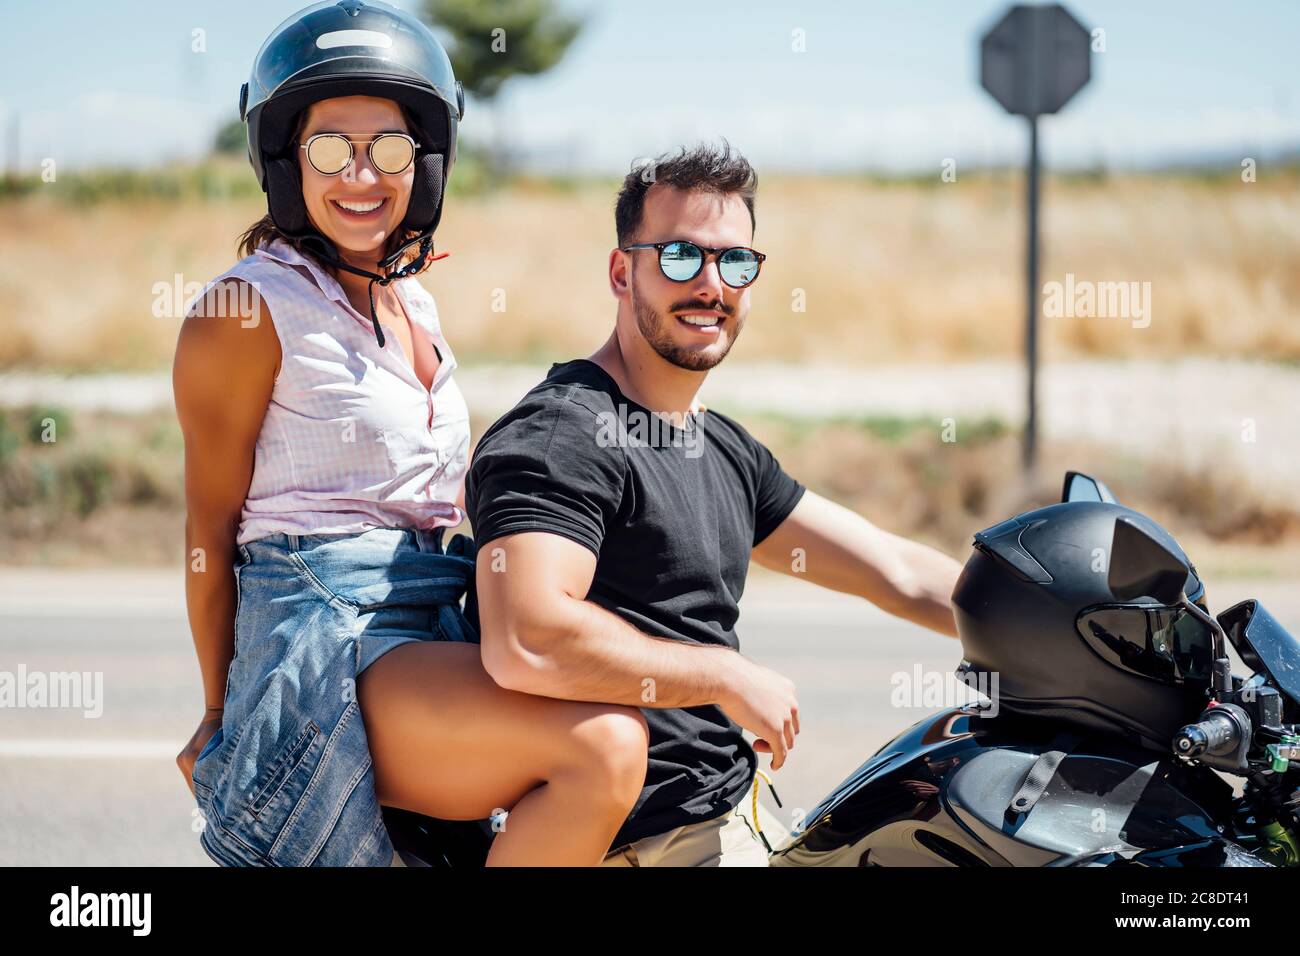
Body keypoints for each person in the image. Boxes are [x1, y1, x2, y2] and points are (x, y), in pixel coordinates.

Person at [172, 0, 646, 867]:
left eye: (388, 147)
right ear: (286, 161)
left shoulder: (414, 302)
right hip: (325, 637)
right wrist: (219, 715)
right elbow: (209, 533)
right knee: (601, 746)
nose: (362, 174)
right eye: (329, 148)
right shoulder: (244, 310)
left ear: (424, 162)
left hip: (434, 612)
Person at [465, 140, 965, 867]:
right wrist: (724, 675)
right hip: (637, 844)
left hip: (739, 815)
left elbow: (898, 573)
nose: (710, 284)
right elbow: (528, 637)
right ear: (620, 270)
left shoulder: (721, 447)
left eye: (734, 261)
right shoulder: (561, 435)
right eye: (679, 257)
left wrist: (1059, 622)